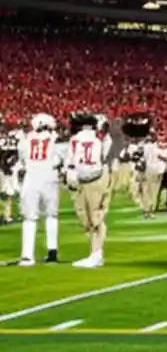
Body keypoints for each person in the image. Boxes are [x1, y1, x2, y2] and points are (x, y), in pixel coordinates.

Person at [66, 113, 112, 268]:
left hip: (85, 178)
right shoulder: (101, 138)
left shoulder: (75, 140)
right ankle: (95, 253)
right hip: (97, 177)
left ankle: (96, 254)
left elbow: (70, 162)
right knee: (95, 218)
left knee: (93, 219)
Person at [18, 113, 64, 266]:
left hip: (31, 177)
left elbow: (23, 156)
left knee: (29, 218)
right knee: (51, 215)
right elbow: (59, 159)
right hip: (49, 177)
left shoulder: (26, 138)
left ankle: (27, 255)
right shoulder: (55, 138)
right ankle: (52, 252)